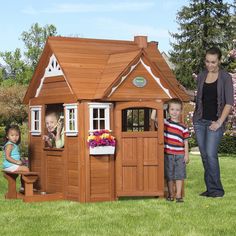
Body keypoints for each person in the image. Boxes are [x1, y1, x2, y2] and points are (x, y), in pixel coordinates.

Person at [193, 47, 234, 198]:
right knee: (204, 156)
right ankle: (210, 189)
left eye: (213, 62)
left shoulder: (225, 77)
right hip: (199, 122)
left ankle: (217, 190)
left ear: (219, 61)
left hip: (215, 122)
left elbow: (229, 103)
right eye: (207, 61)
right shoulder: (202, 76)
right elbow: (199, 98)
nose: (210, 65)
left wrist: (219, 122)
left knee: (211, 155)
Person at [163, 98, 190, 203]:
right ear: (168, 110)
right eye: (172, 109)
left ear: (181, 111)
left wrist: (186, 155)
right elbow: (153, 118)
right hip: (168, 154)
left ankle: (178, 195)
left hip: (179, 155)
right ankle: (171, 194)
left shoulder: (183, 126)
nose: (174, 112)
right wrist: (161, 107)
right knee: (169, 175)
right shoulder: (165, 123)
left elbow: (186, 142)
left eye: (177, 110)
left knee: (179, 175)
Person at [2, 125, 29, 192]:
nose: (15, 137)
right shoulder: (9, 145)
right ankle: (23, 187)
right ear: (7, 136)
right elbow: (7, 157)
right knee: (26, 170)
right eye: (12, 135)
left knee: (25, 167)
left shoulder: (14, 144)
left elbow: (15, 155)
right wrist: (16, 162)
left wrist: (21, 159)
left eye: (17, 135)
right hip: (9, 165)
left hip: (12, 165)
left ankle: (23, 186)